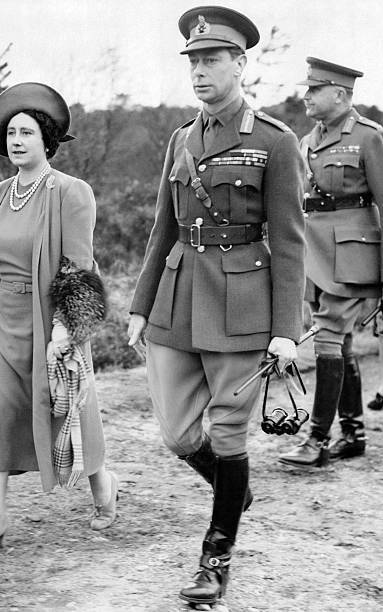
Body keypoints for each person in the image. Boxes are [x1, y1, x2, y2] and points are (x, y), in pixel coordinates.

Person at [127, 6, 305, 607]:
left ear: (240, 63)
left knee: (228, 432)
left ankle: (215, 560)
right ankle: (234, 489)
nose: (200, 71)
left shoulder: (274, 141)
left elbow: (289, 241)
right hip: (178, 299)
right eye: (194, 62)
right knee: (177, 434)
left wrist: (286, 329)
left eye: (211, 60)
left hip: (241, 302)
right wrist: (140, 305)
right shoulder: (181, 138)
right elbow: (163, 229)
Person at [0, 83, 118, 563]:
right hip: (2, 322)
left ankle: (103, 486)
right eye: (10, 133)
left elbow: (79, 267)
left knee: (69, 411)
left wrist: (66, 328)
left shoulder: (71, 193)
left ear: (47, 139)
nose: (17, 141)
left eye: (26, 132)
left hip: (51, 322)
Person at [279, 58, 383, 468]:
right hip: (315, 254)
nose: (306, 96)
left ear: (340, 94)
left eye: (314, 89)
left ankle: (317, 440)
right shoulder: (308, 141)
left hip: (353, 256)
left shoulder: (368, 137)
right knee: (340, 341)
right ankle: (353, 434)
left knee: (327, 338)